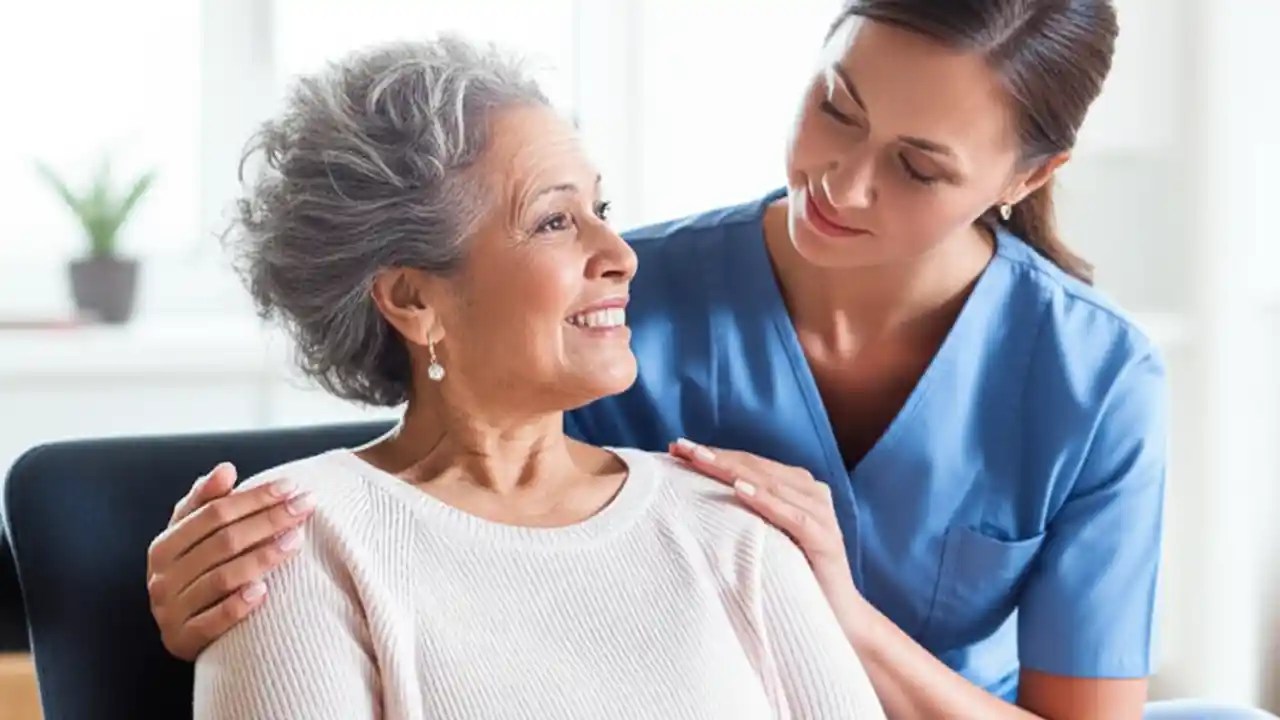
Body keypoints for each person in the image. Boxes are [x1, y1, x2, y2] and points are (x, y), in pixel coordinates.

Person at [147, 2, 1275, 719]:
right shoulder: (622, 303)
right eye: (833, 108)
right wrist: (217, 570)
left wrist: (842, 611)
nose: (838, 183)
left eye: (918, 167)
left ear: (1023, 179)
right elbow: (441, 458)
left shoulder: (1088, 379)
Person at [182, 36, 884, 720]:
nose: (619, 254)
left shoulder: (730, 525)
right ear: (413, 300)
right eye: (553, 221)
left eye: (599, 211)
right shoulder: (291, 542)